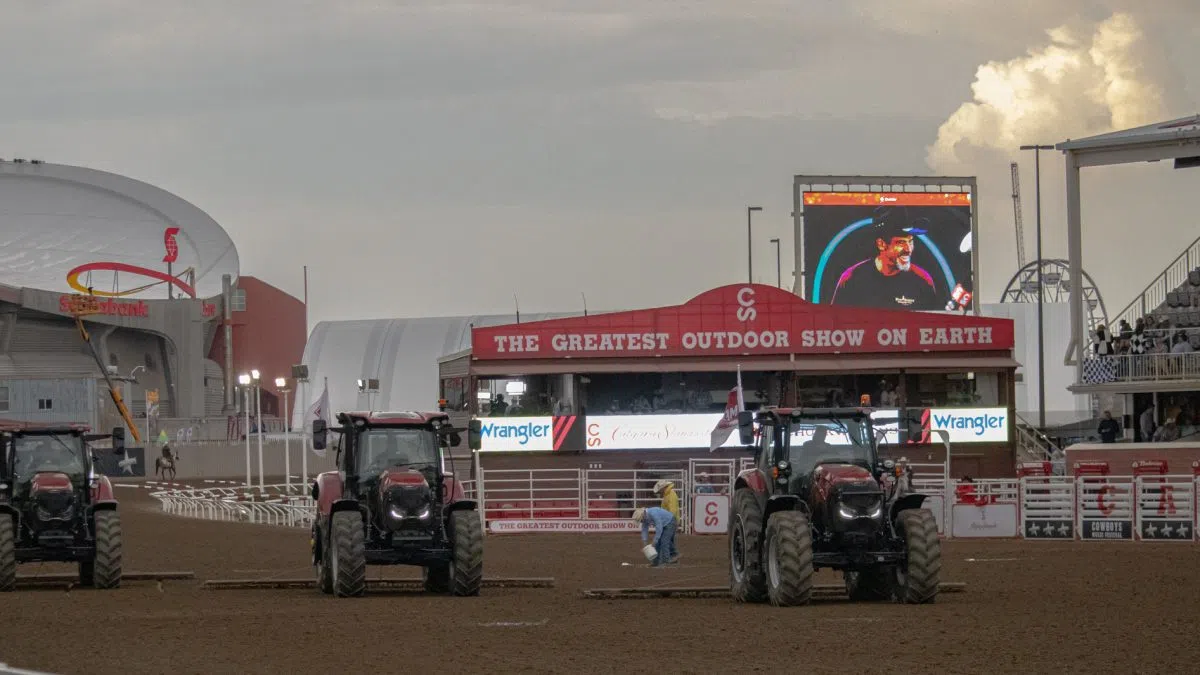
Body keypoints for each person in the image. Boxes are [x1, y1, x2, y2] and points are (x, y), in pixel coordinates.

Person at [829, 208, 940, 310]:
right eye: (900, 242)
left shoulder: (923, 280)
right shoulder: (852, 279)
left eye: (910, 241)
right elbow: (835, 323)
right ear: (881, 244)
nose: (908, 249)